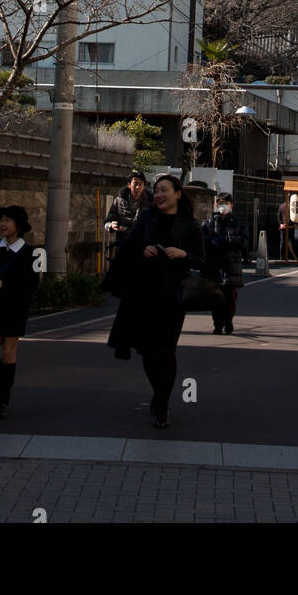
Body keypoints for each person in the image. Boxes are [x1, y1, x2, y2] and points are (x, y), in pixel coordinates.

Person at [106, 174, 204, 429]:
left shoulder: (189, 224)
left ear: (177, 194)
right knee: (148, 350)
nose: (159, 195)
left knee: (167, 349)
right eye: (157, 190)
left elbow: (203, 261)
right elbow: (127, 247)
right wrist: (142, 250)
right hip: (144, 294)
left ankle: (161, 404)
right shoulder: (146, 218)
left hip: (173, 295)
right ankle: (160, 396)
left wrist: (184, 254)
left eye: (164, 190)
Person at [0, 205, 36, 420]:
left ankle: (2, 401)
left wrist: (4, 284)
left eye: (8, 220)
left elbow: (31, 285)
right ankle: (7, 382)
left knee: (8, 352)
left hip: (15, 308)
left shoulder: (31, 253)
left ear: (18, 226)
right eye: (1, 220)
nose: (3, 224)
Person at [202, 193, 248, 335]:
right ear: (216, 205)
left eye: (226, 203)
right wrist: (211, 242)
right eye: (221, 203)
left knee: (230, 297)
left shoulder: (237, 222)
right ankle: (217, 324)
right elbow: (202, 241)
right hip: (214, 265)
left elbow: (244, 241)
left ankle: (228, 321)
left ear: (231, 205)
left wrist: (227, 241)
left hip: (231, 265)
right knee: (215, 298)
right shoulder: (209, 223)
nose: (223, 206)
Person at [104, 172, 153, 259]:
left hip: (144, 246)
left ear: (144, 186)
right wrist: (110, 225)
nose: (137, 187)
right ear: (129, 185)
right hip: (123, 243)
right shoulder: (119, 201)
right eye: (135, 183)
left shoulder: (151, 202)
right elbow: (109, 220)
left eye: (140, 184)